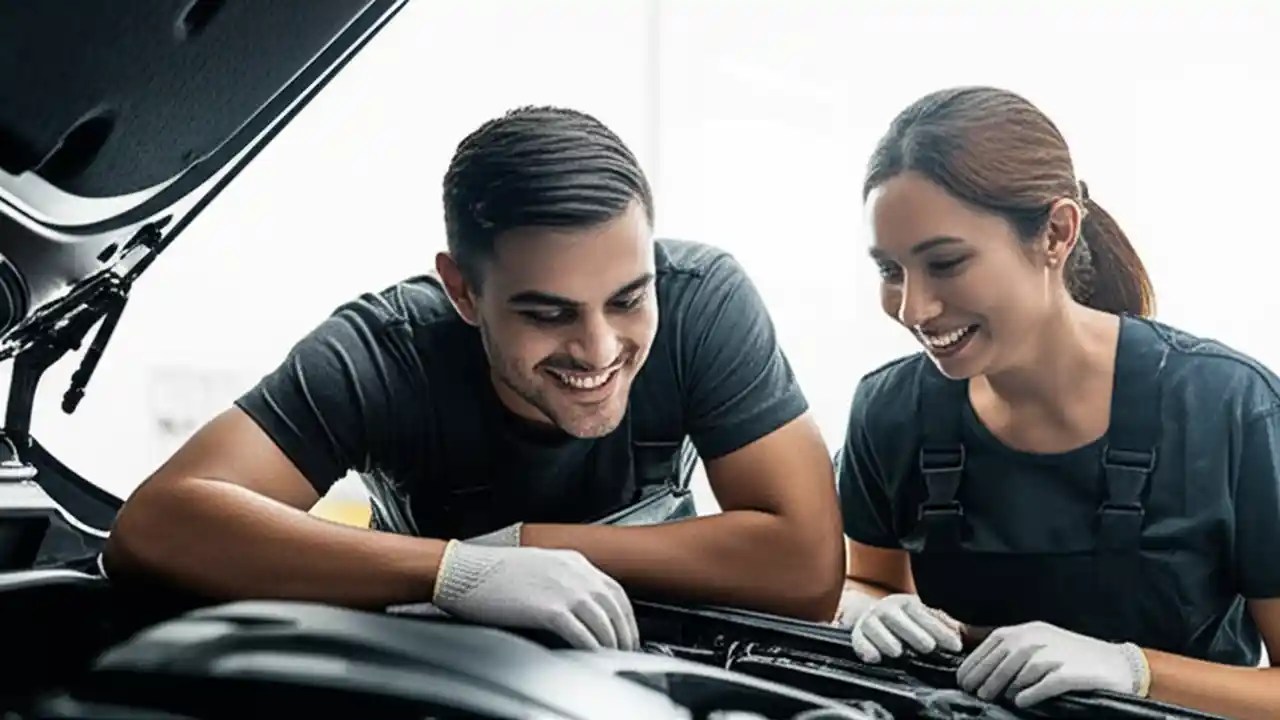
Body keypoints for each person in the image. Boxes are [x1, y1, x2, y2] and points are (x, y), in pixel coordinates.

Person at [103, 106, 845, 651]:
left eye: (628, 298)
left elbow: (805, 567)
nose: (599, 349)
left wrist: (520, 546)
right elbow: (156, 526)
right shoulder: (385, 351)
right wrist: (454, 573)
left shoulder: (701, 299)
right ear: (462, 291)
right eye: (547, 314)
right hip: (440, 670)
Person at [832, 86, 1280, 719]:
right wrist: (868, 609)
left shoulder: (1231, 409)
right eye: (890, 270)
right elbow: (869, 578)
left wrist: (1132, 669)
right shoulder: (889, 413)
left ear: (1057, 233)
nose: (913, 309)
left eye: (946, 263)